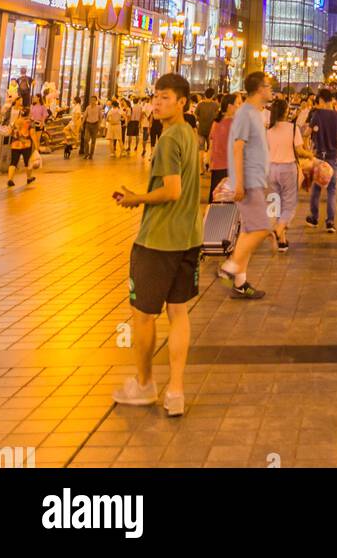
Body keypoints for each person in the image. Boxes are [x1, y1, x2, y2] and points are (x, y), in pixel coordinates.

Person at [112, 73, 202, 416]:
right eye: (156, 97)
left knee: (143, 315)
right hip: (189, 237)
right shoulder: (190, 134)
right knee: (178, 312)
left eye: (165, 97)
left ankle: (145, 384)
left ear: (182, 102)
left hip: (159, 240)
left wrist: (137, 198)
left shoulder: (167, 140)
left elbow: (173, 190)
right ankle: (175, 392)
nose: (157, 103)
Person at [217, 71, 274, 299]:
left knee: (249, 230)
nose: (271, 90)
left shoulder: (255, 114)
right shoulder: (246, 114)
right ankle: (229, 268)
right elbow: (237, 148)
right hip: (248, 182)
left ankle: (240, 283)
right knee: (262, 228)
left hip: (254, 180)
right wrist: (239, 183)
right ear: (259, 89)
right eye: (268, 86)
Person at [305, 87, 337, 232]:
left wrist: (309, 141)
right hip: (333, 156)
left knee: (316, 188)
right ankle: (330, 222)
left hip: (319, 157)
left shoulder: (317, 115)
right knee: (332, 190)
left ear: (321, 100)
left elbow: (306, 133)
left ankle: (314, 218)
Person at [267, 97, 302, 251]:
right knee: (289, 204)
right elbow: (299, 150)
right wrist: (310, 156)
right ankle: (278, 230)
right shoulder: (292, 128)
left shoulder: (267, 131)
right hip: (288, 168)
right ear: (286, 111)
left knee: (276, 203)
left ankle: (282, 240)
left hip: (270, 169)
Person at [208, 93, 236, 202]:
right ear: (230, 106)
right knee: (228, 207)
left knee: (216, 203)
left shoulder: (216, 122)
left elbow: (212, 143)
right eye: (238, 103)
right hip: (230, 168)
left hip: (216, 167)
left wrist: (210, 161)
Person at [6, 105, 36, 188]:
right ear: (28, 114)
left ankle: (10, 179)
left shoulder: (16, 121)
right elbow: (33, 134)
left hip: (15, 145)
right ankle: (29, 177)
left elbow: (10, 132)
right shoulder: (29, 122)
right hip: (26, 145)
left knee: (13, 162)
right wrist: (37, 146)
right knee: (27, 162)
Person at [195, 87, 219, 172]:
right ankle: (209, 167)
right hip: (211, 130)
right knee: (211, 149)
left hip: (201, 129)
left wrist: (201, 120)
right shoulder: (215, 105)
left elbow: (196, 115)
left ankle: (201, 169)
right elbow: (217, 117)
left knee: (200, 150)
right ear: (212, 95)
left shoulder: (200, 104)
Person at [82, 95, 101, 160]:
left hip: (95, 125)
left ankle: (91, 154)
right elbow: (84, 116)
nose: (92, 101)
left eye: (94, 100)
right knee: (86, 139)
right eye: (91, 100)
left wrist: (99, 125)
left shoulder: (98, 108)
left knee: (93, 141)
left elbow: (100, 117)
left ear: (96, 101)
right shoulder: (88, 107)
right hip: (88, 124)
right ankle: (86, 154)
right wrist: (82, 124)